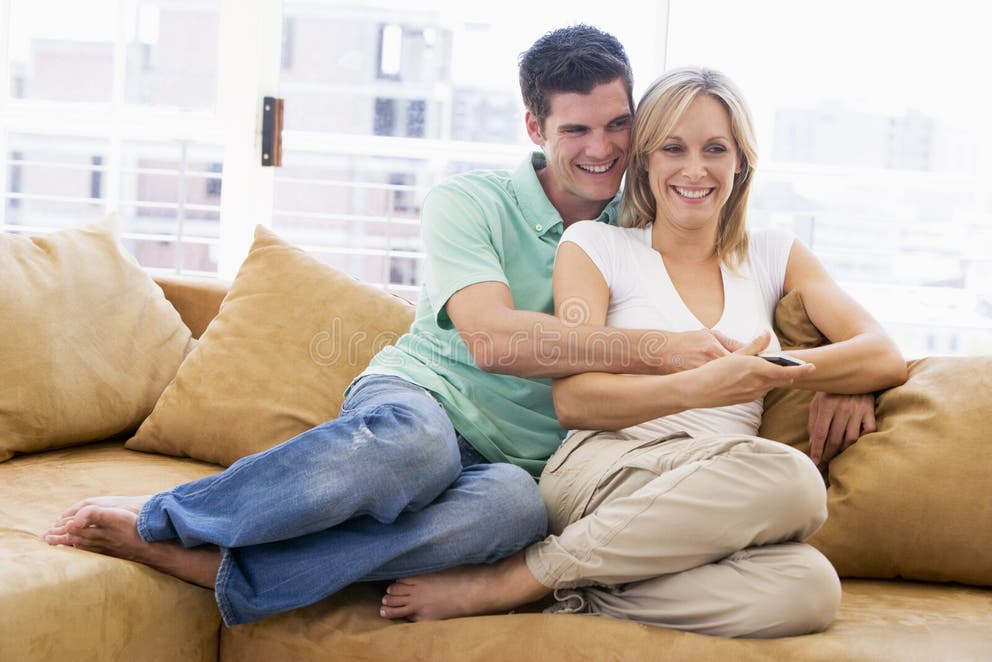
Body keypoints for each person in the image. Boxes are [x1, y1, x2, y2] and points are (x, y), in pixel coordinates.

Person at [43, 27, 749, 627]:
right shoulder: (470, 202)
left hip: (516, 464)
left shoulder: (647, 217)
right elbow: (495, 340)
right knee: (418, 447)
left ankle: (228, 570)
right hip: (422, 401)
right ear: (535, 127)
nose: (603, 149)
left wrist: (849, 376)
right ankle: (168, 520)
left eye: (617, 124)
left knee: (515, 514)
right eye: (577, 129)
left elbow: (753, 276)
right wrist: (655, 349)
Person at [377, 66, 909, 638]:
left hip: (716, 484)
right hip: (604, 468)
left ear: (741, 162)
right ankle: (515, 579)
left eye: (716, 149)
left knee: (809, 590)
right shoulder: (596, 247)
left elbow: (882, 354)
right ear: (646, 161)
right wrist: (702, 387)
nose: (695, 169)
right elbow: (576, 400)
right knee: (795, 481)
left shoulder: (776, 254)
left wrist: (795, 375)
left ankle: (579, 589)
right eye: (673, 148)